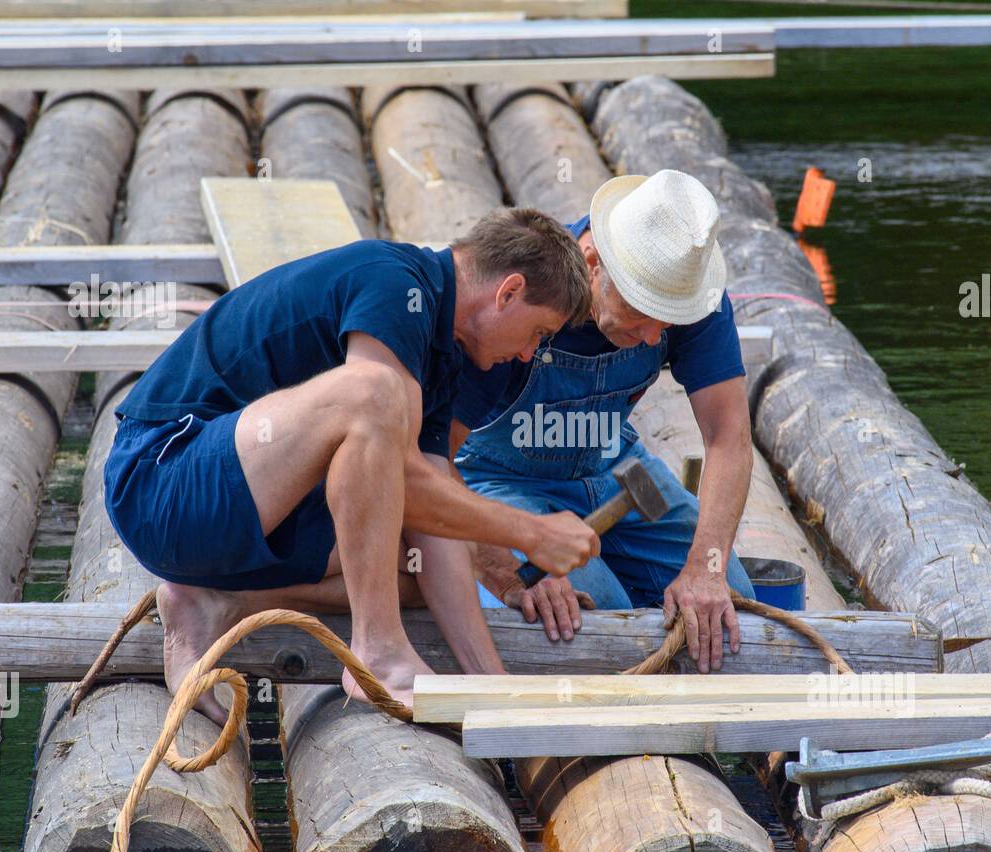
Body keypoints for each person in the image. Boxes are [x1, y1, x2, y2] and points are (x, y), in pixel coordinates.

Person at [105, 207, 600, 722]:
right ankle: (378, 653)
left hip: (234, 517)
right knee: (373, 391)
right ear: (508, 292)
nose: (528, 354)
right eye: (539, 333)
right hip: (161, 480)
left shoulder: (442, 357)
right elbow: (407, 475)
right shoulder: (394, 281)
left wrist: (496, 689)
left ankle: (219, 602)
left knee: (407, 567)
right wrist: (531, 533)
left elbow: (428, 517)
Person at [451, 170, 757, 674]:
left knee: (730, 612)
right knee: (589, 624)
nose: (655, 333)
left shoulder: (690, 290)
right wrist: (504, 569)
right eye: (642, 311)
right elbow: (433, 459)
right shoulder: (525, 298)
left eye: (669, 320)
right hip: (501, 480)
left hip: (619, 468)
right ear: (592, 263)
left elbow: (728, 437)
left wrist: (706, 566)